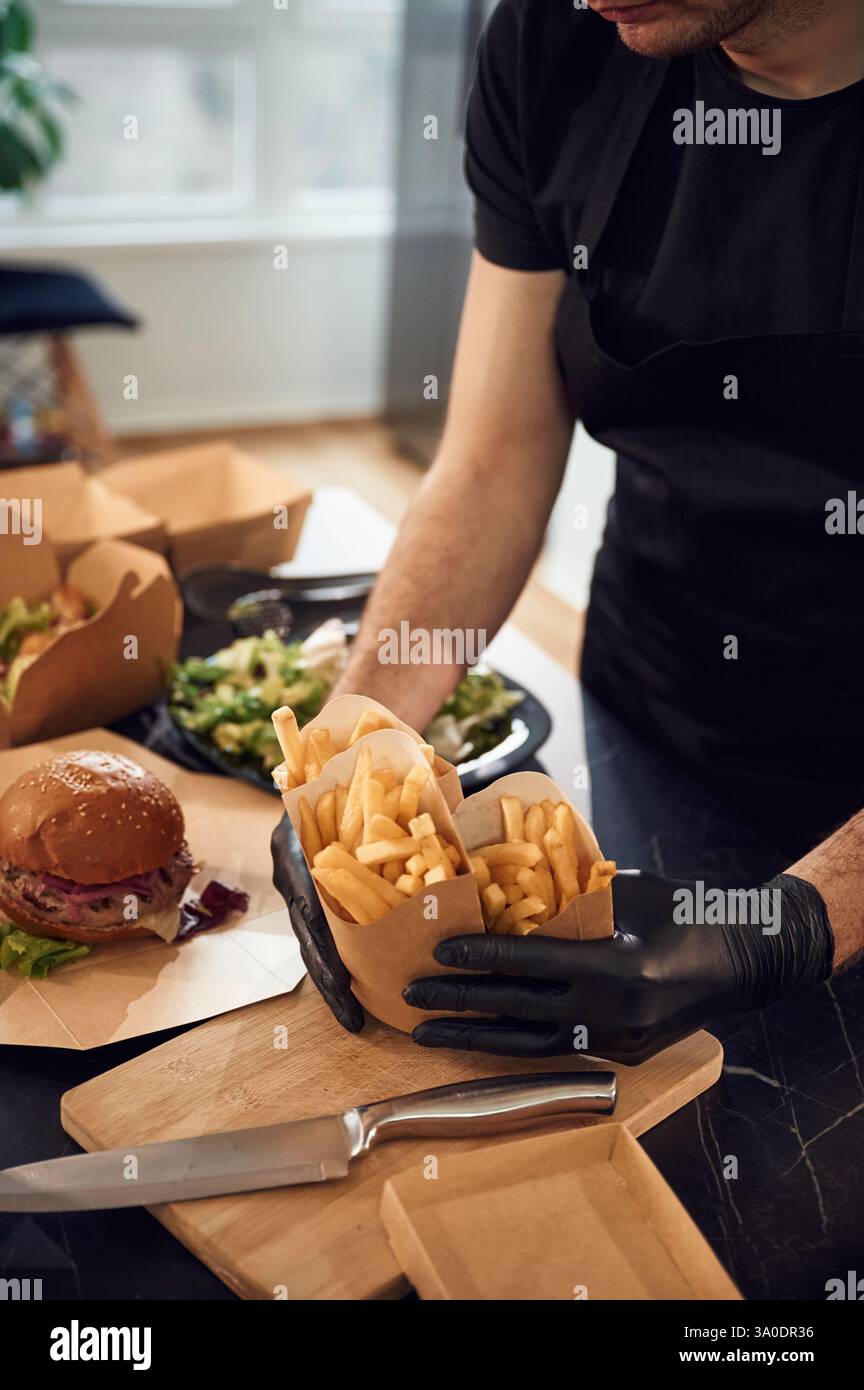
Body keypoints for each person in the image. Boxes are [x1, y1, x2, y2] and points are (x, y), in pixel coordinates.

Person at [272, 0, 864, 1061]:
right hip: (653, 712)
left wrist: (789, 928)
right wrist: (350, 759)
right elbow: (491, 464)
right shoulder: (555, 46)